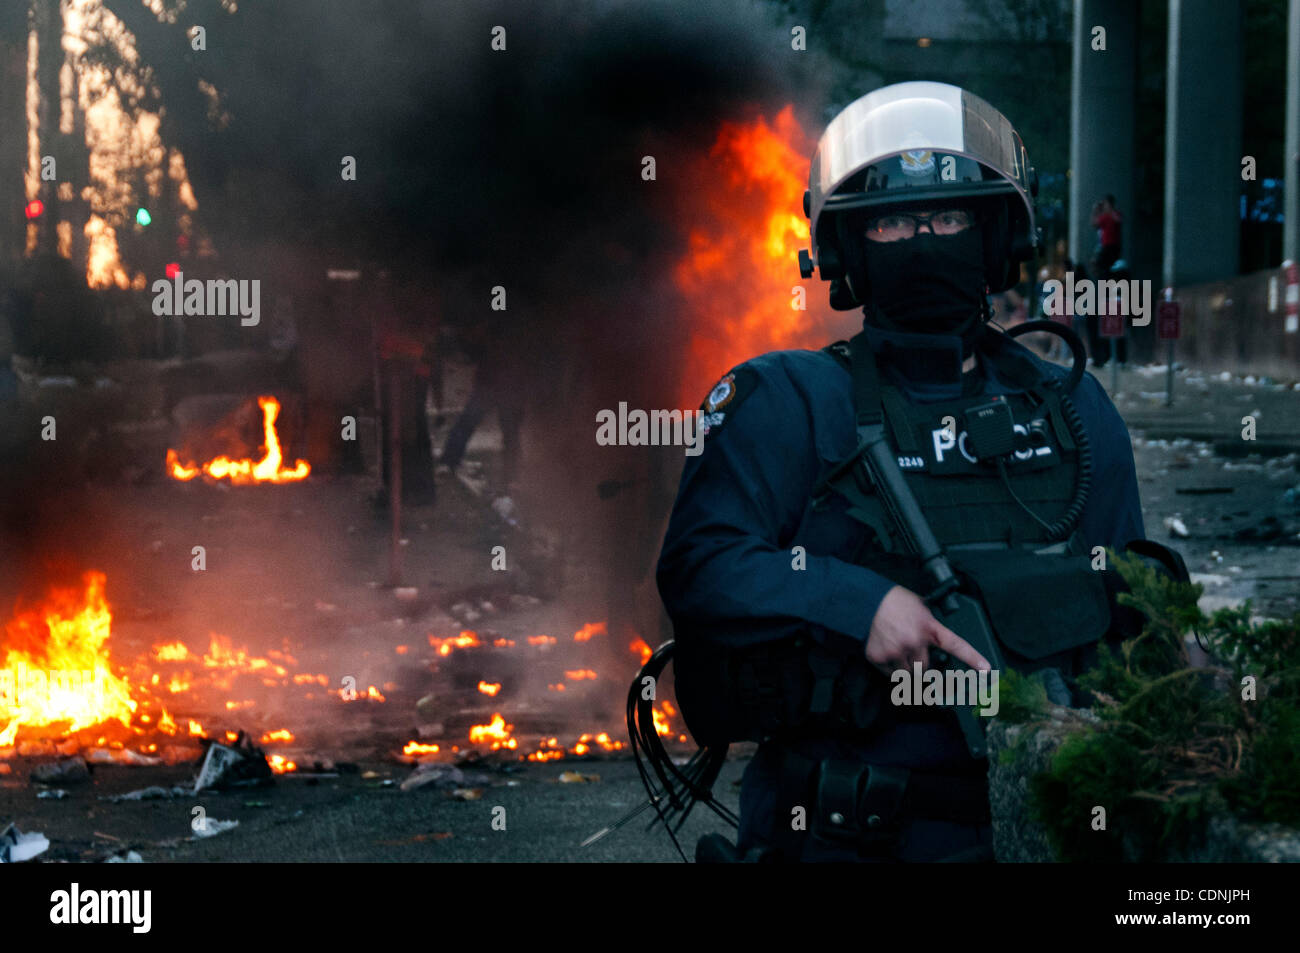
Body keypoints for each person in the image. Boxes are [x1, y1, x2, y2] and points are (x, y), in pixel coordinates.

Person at [657, 82, 1149, 863]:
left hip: (1042, 833)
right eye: (891, 221)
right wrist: (862, 603)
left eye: (948, 217)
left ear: (992, 236)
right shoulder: (785, 400)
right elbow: (699, 565)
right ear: (847, 250)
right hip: (844, 839)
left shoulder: (1071, 408)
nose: (923, 238)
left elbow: (1134, 601)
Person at [1090, 194, 1123, 274]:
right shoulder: (1104, 216)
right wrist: (1095, 211)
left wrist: (1109, 210)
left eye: (1105, 204)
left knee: (1108, 267)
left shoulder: (1114, 214)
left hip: (1113, 246)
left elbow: (1119, 220)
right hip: (1106, 246)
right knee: (1098, 264)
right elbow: (1094, 224)